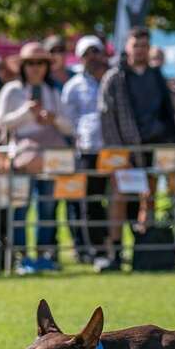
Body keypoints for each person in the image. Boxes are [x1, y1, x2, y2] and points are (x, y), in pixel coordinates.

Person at [99, 27, 175, 269]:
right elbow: (106, 117)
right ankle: (115, 250)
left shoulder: (156, 76)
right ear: (127, 46)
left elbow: (168, 112)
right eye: (136, 45)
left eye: (144, 45)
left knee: (149, 200)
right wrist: (119, 153)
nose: (140, 50)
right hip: (124, 149)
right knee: (119, 198)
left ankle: (144, 249)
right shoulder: (115, 77)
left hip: (154, 147)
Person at [0, 40, 74, 273]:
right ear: (22, 65)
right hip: (21, 158)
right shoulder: (12, 90)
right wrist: (25, 112)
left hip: (50, 158)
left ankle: (45, 255)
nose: (36, 67)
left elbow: (70, 126)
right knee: (19, 208)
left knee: (48, 208)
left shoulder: (54, 91)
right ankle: (20, 257)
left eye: (40, 63)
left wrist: (53, 120)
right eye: (30, 63)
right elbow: (0, 122)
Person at [61, 35, 114, 269]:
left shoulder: (113, 79)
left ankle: (116, 247)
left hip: (114, 150)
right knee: (90, 202)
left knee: (118, 200)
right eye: (87, 53)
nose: (92, 57)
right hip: (87, 151)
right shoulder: (73, 86)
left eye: (95, 51)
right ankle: (96, 249)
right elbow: (68, 120)